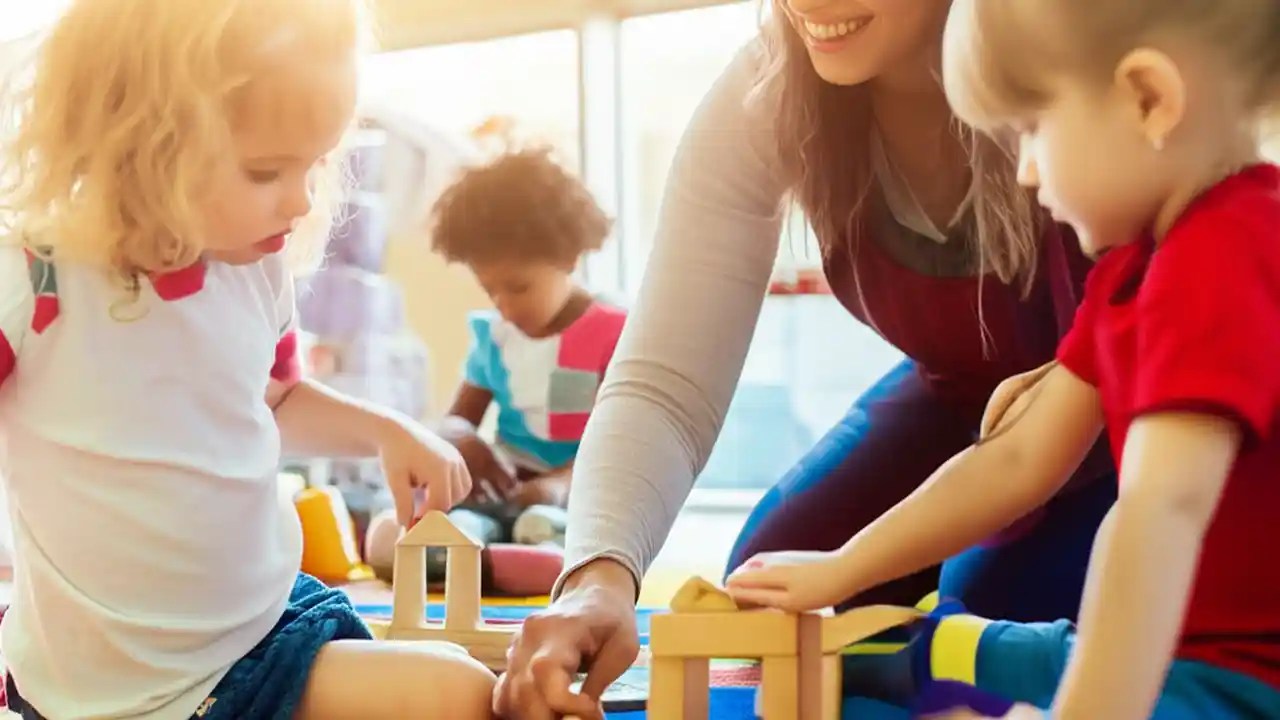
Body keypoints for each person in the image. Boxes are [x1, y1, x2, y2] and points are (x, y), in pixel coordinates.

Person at [494, 1, 1119, 716]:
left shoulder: (1062, 52)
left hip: (1131, 420)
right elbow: (666, 381)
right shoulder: (768, 92)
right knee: (768, 592)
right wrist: (598, 576)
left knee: (985, 607)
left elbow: (1046, 443)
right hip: (965, 402)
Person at [728, 0, 1280, 717]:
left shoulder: (1225, 255)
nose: (1023, 171)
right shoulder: (1134, 271)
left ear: (1148, 99)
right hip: (1163, 652)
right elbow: (1019, 459)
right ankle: (942, 653)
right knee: (915, 665)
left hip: (1236, 681)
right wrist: (842, 568)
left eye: (1031, 130)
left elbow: (1159, 511)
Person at [0, 1, 495, 718]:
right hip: (142, 685)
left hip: (261, 616)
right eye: (267, 170)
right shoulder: (35, 279)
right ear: (142, 143)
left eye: (317, 164)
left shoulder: (255, 269)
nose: (300, 199)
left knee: (452, 667)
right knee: (461, 694)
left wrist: (387, 430)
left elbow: (273, 396)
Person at [365, 148, 627, 596]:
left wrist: (558, 484)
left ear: (567, 259)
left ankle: (501, 559)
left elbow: (619, 444)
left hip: (579, 496)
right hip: (505, 495)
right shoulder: (495, 339)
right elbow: (457, 418)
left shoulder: (612, 333)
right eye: (491, 290)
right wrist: (460, 440)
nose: (504, 305)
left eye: (518, 287)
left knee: (558, 532)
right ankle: (476, 554)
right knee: (397, 530)